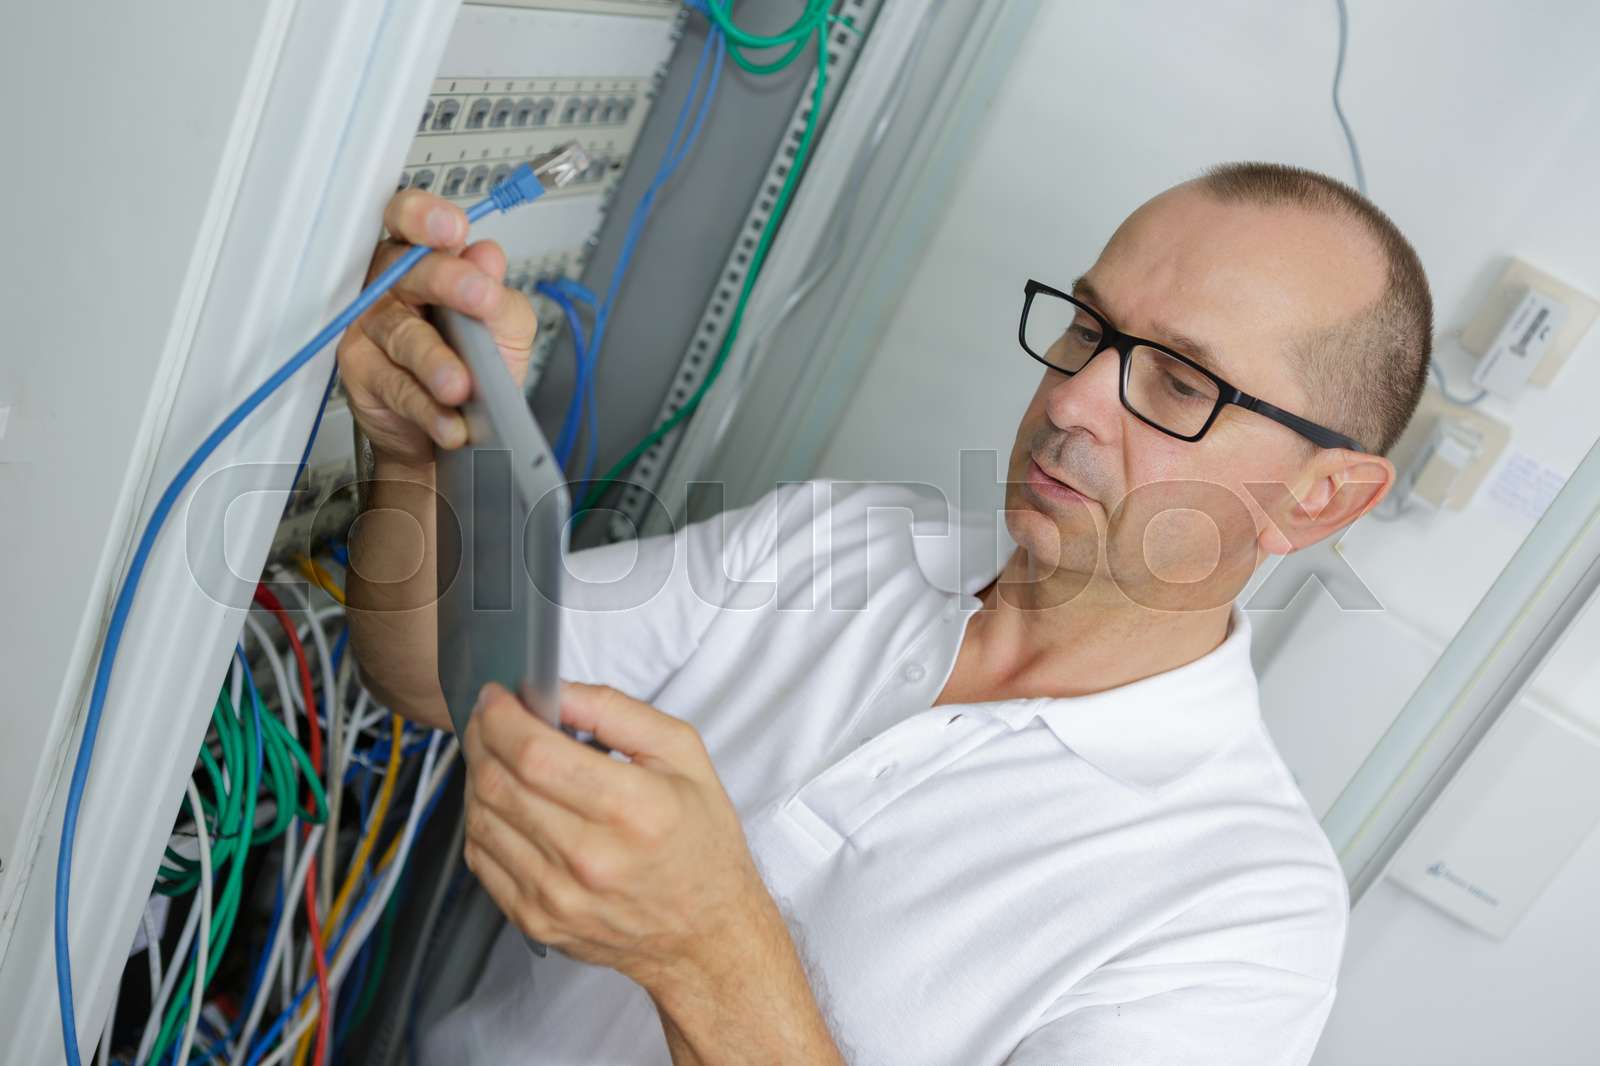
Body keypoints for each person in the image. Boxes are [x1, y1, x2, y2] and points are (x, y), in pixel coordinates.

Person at [338, 160, 1432, 1065]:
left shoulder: (1244, 915)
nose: (1071, 398)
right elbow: (429, 670)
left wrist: (708, 955)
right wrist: (422, 449)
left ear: (1320, 498)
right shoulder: (839, 539)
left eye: (1181, 384)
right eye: (1086, 328)